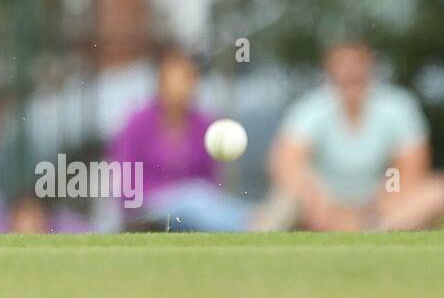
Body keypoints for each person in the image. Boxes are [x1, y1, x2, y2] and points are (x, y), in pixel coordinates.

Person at [269, 40, 444, 231]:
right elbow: (287, 163)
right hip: (322, 205)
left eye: (357, 63)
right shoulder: (310, 108)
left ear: (370, 67)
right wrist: (314, 197)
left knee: (437, 191)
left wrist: (373, 207)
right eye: (342, 64)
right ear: (329, 69)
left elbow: (412, 170)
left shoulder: (398, 106)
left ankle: (375, 229)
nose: (350, 71)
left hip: (380, 208)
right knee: (285, 200)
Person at [107, 45, 252, 232]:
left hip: (197, 206)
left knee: (200, 199)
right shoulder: (138, 123)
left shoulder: (203, 123)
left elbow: (212, 179)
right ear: (161, 85)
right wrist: (171, 194)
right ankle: (252, 223)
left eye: (187, 81)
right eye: (175, 81)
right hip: (149, 205)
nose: (181, 89)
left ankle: (253, 218)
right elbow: (125, 178)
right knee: (194, 198)